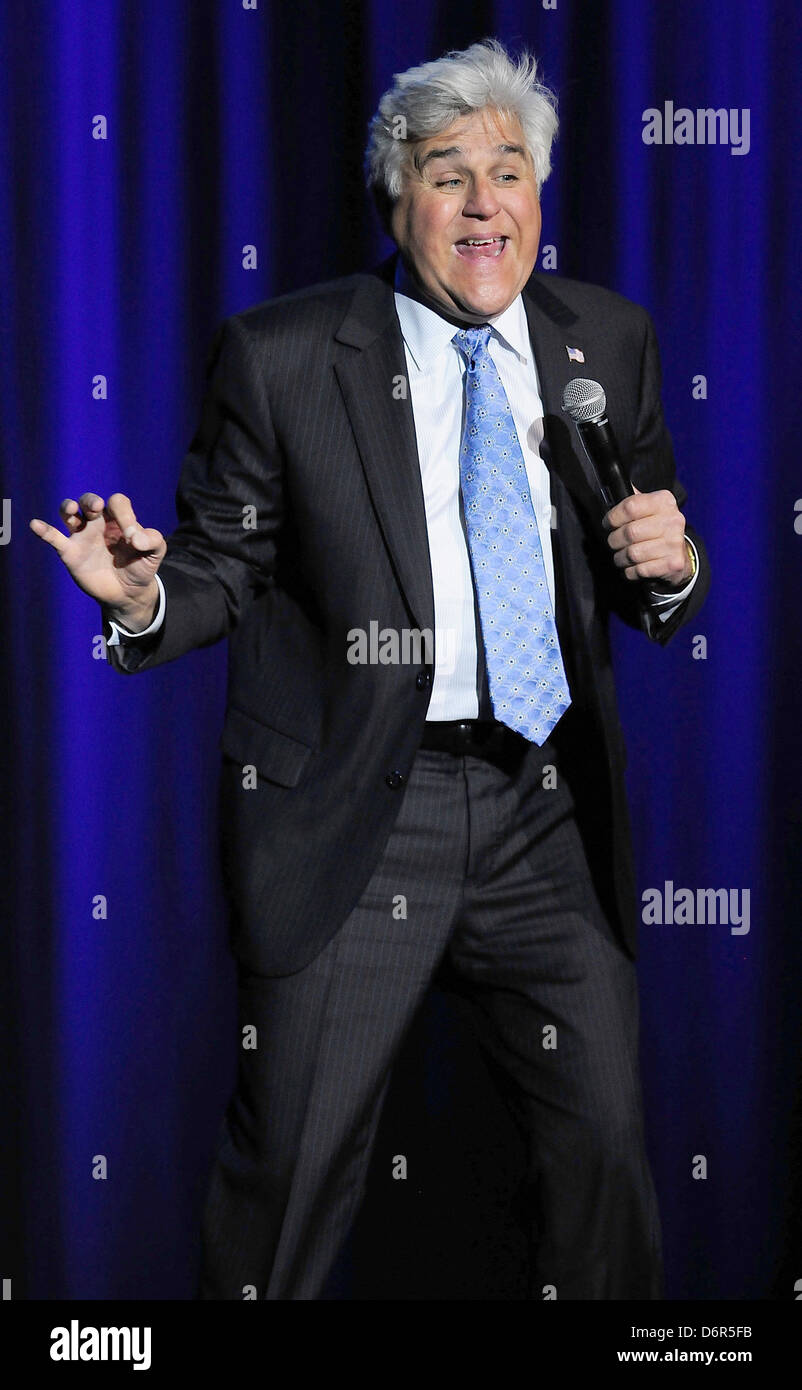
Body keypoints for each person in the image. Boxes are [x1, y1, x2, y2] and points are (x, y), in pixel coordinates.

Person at [30, 38, 710, 1300]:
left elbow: (644, 557)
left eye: (510, 173)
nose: (484, 204)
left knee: (605, 1154)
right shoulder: (285, 356)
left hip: (544, 810)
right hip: (355, 811)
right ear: (397, 194)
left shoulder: (603, 344)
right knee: (288, 1180)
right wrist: (144, 594)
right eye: (449, 174)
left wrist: (672, 568)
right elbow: (222, 570)